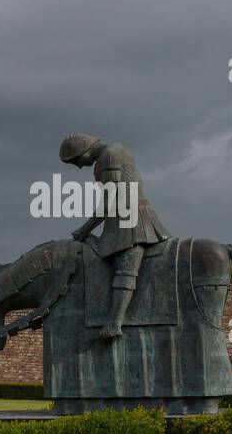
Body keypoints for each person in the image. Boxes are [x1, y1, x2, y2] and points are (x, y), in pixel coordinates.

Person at [60, 134, 171, 340]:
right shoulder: (117, 149)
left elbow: (109, 201)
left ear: (83, 151)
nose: (79, 167)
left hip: (130, 220)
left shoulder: (109, 156)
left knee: (125, 269)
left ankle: (114, 323)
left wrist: (84, 229)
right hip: (124, 216)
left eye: (76, 162)